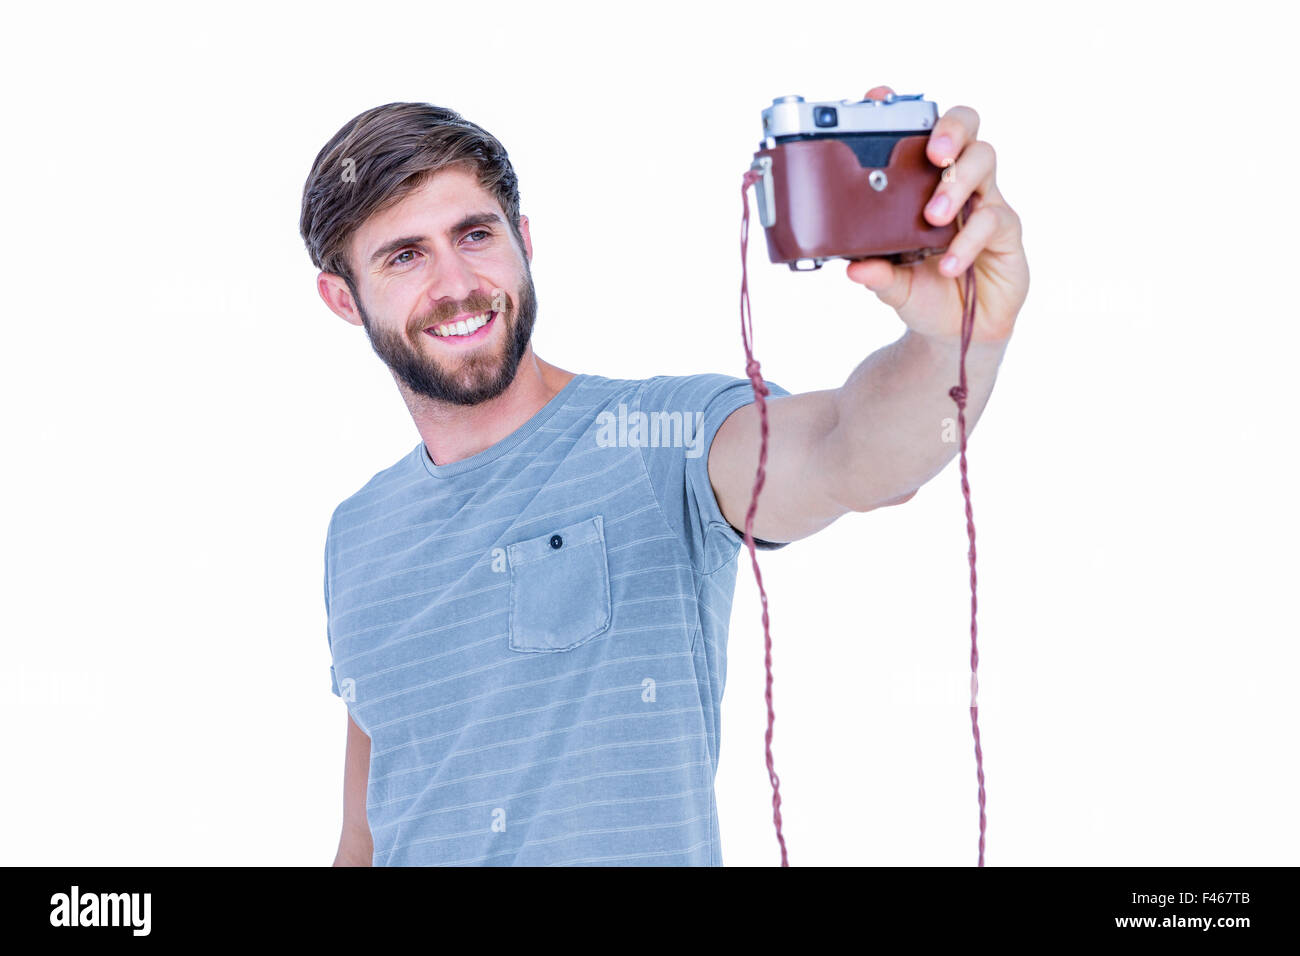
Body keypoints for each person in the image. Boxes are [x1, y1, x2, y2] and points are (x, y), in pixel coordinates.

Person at [300, 86, 1029, 866]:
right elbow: (367, 835)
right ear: (344, 298)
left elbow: (850, 453)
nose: (456, 283)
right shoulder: (357, 532)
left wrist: (956, 343)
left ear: (524, 241)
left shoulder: (660, 439)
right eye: (405, 255)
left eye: (474, 234)